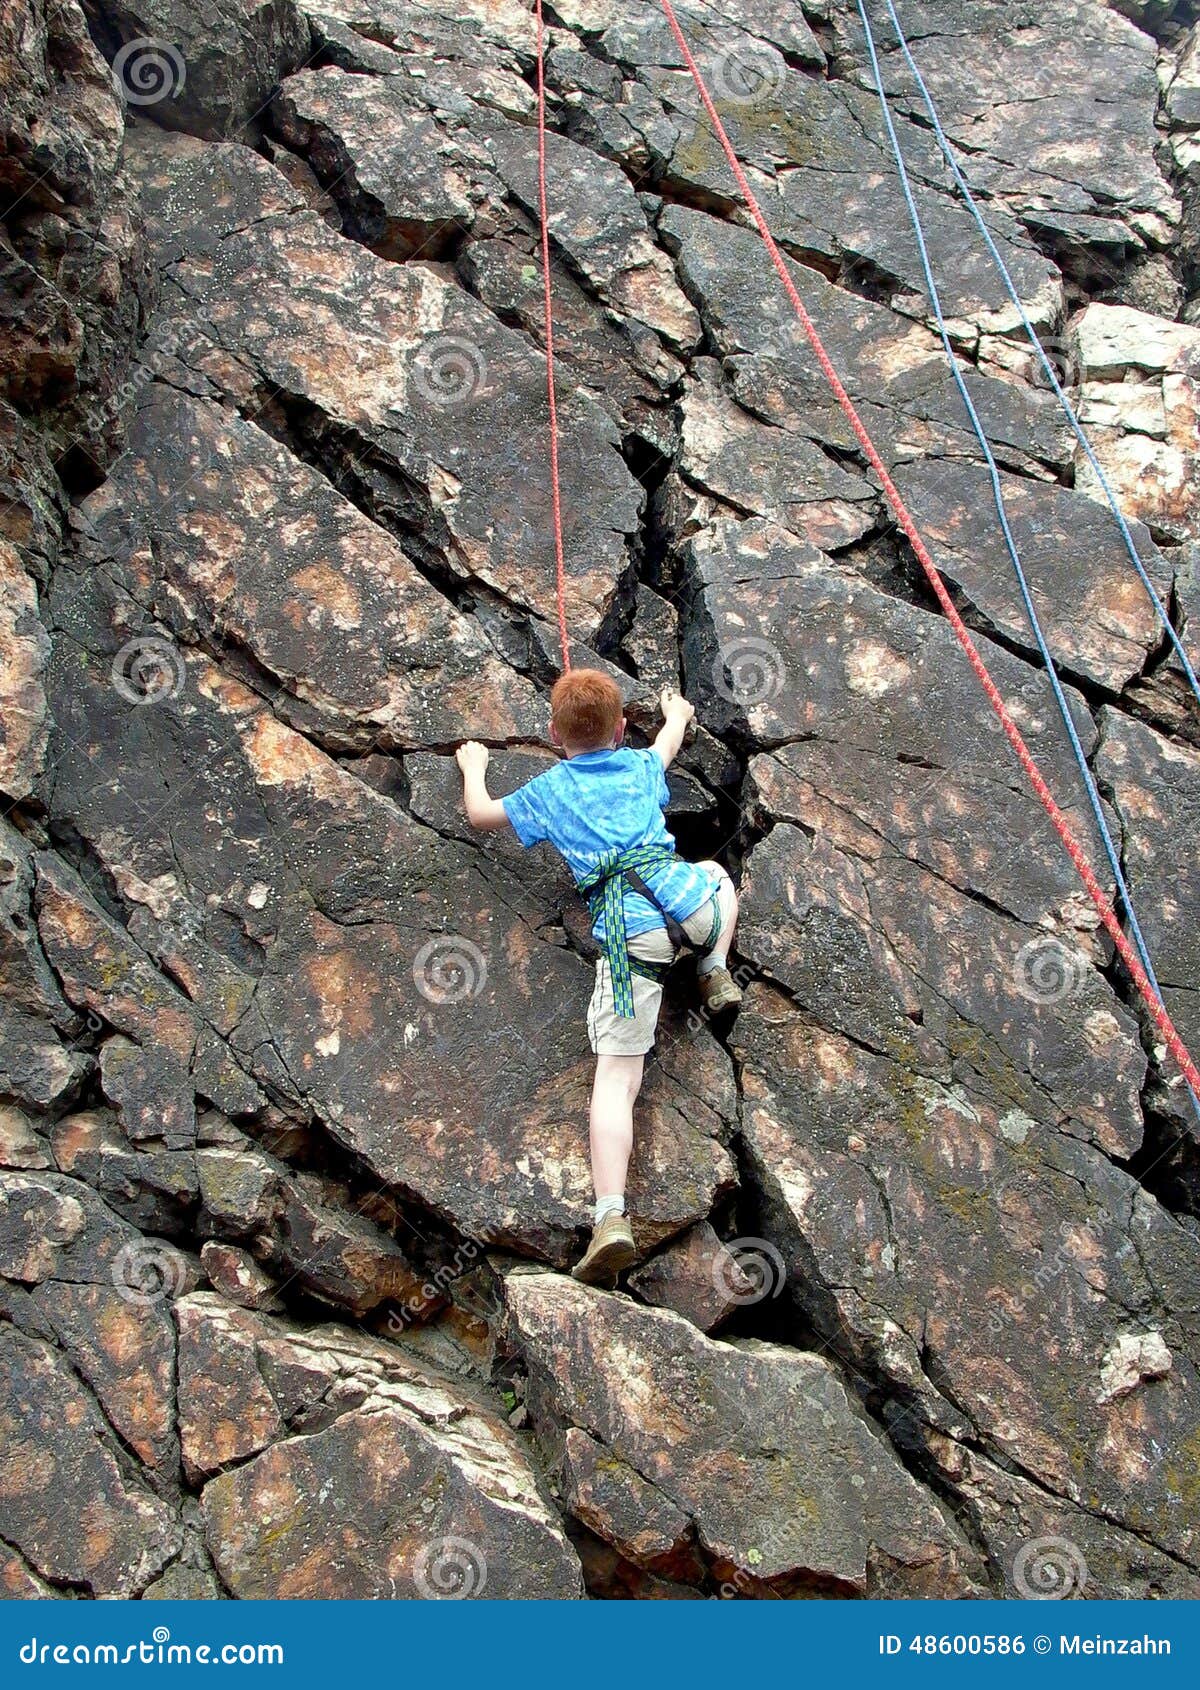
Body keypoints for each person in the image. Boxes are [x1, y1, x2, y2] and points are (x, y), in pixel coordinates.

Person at [455, 669, 740, 1285]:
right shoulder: (639, 765)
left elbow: (481, 815)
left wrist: (474, 765)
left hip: (629, 933)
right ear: (619, 728)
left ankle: (611, 1216)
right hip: (689, 904)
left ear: (554, 734)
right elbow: (669, 740)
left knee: (617, 1078)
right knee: (719, 877)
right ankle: (714, 968)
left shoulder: (552, 789)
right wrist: (675, 711)